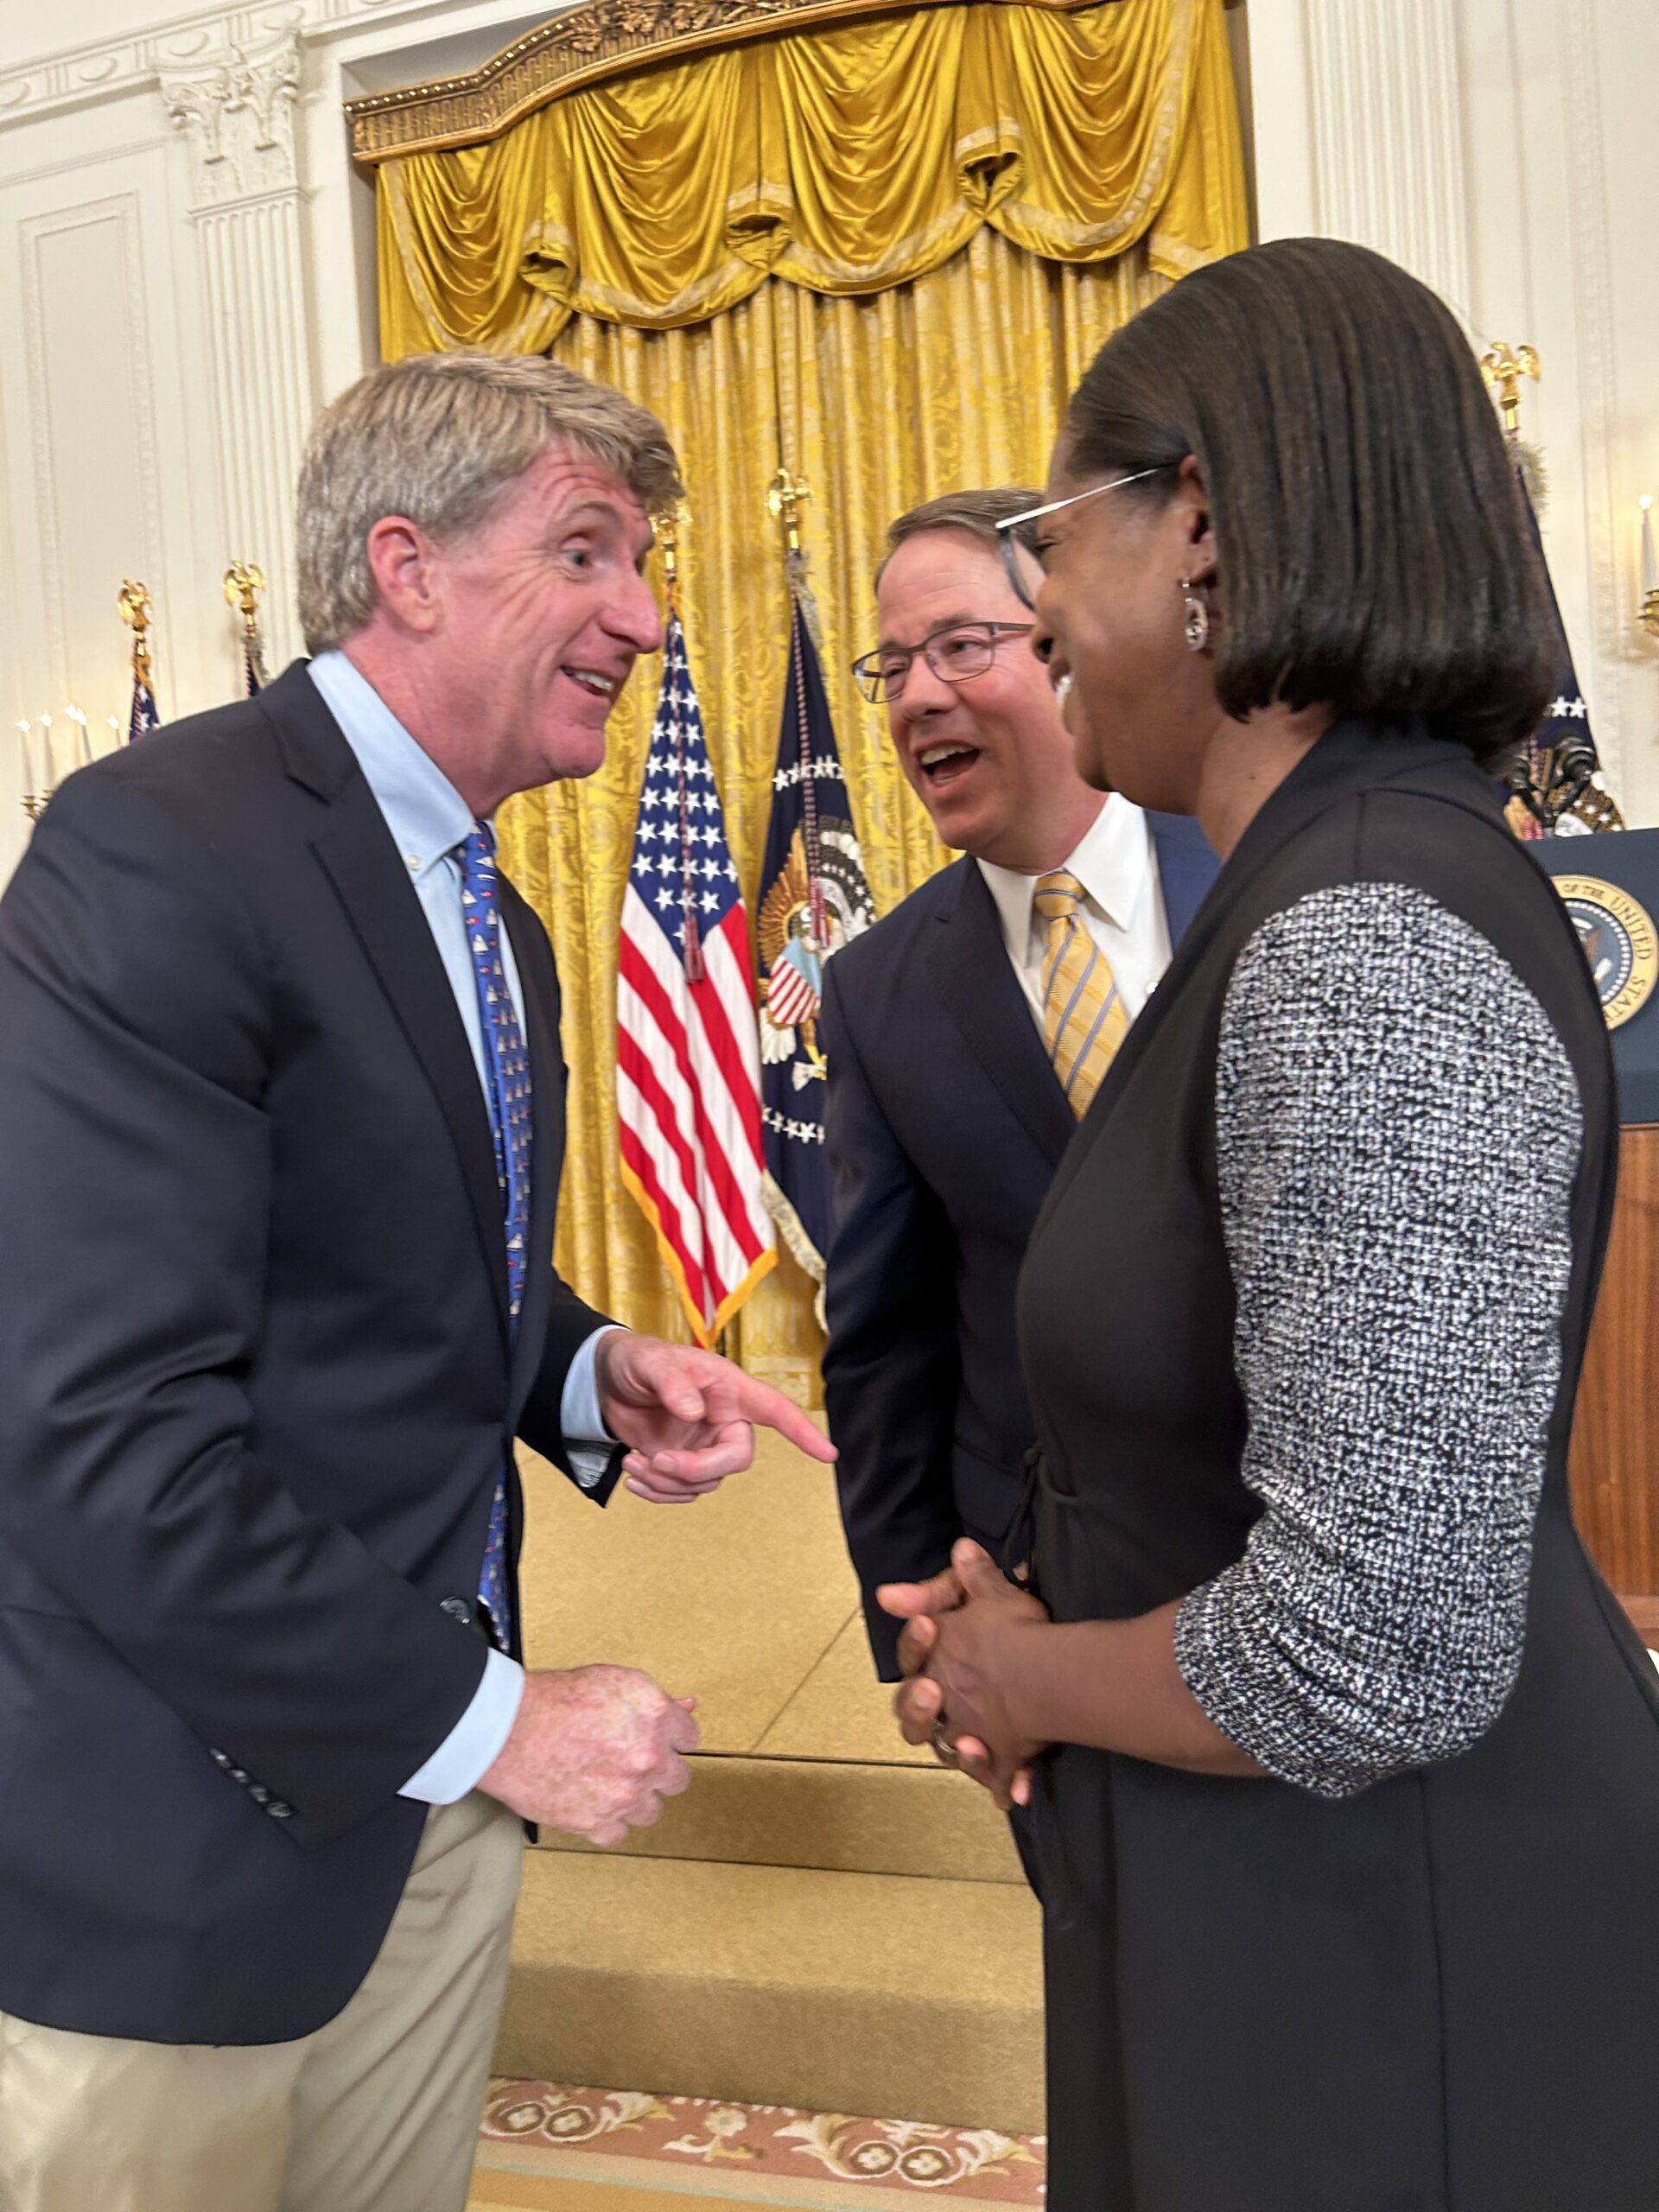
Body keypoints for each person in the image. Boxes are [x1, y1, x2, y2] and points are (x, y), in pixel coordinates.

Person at [0, 351, 834, 2212]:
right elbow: (100, 1429)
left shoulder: (495, 909)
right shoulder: (154, 847)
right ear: (407, 565)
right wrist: (502, 1722)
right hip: (181, 1842)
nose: (645, 612)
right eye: (590, 551)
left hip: (434, 1816)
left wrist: (585, 1368)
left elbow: (406, 1253)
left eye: (648, 559)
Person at [884, 238, 1659, 2210]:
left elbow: (1377, 1644)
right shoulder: (1315, 883)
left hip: (1395, 1964)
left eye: (1058, 533)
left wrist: (1026, 1674)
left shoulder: (1362, 934)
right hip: (1288, 1915)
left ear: (1205, 528)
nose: (1038, 601)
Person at [821, 492, 1216, 1679]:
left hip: (1295, 1556)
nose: (916, 698)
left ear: (1061, 640)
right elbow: (885, 1351)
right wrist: (916, 1634)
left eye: (956, 646)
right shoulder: (875, 993)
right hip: (1044, 1589)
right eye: (890, 669)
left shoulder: (1258, 865)